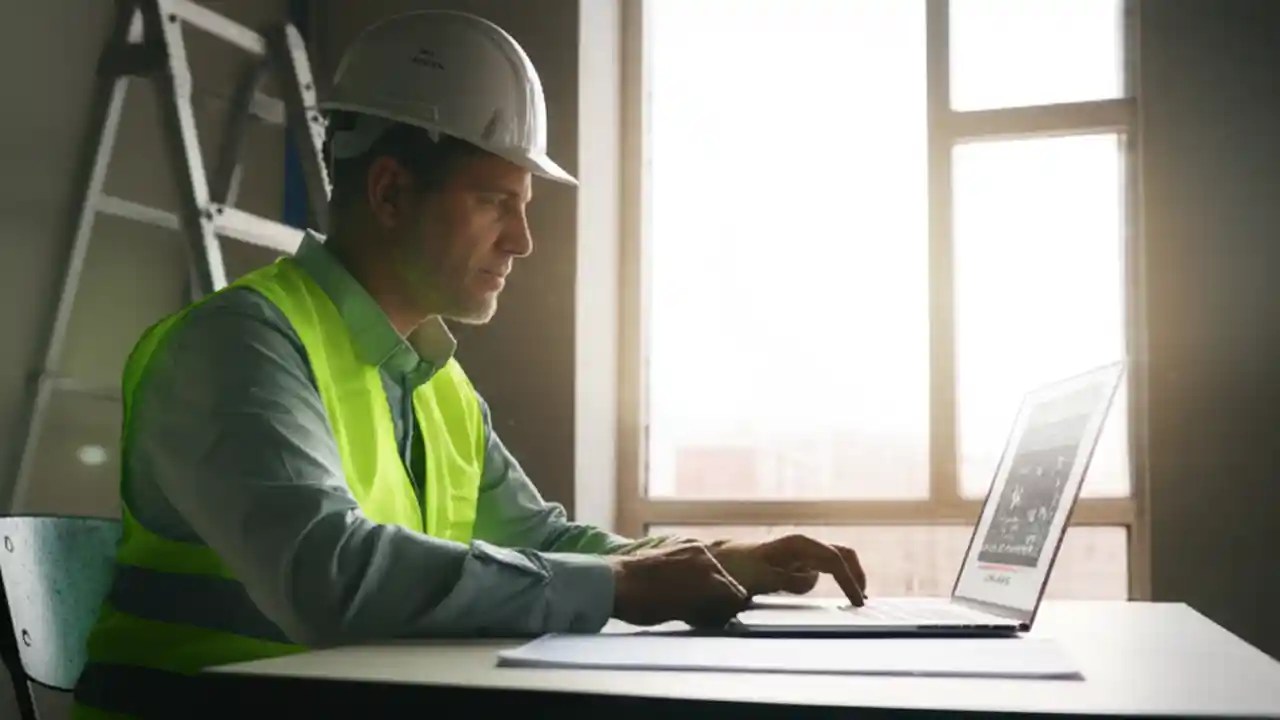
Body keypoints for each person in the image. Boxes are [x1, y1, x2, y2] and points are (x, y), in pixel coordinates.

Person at [71, 10, 865, 718]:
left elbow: (542, 538)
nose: (521, 242)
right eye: (496, 202)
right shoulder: (238, 346)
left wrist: (720, 563)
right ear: (389, 192)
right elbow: (332, 578)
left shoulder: (434, 380)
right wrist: (624, 588)